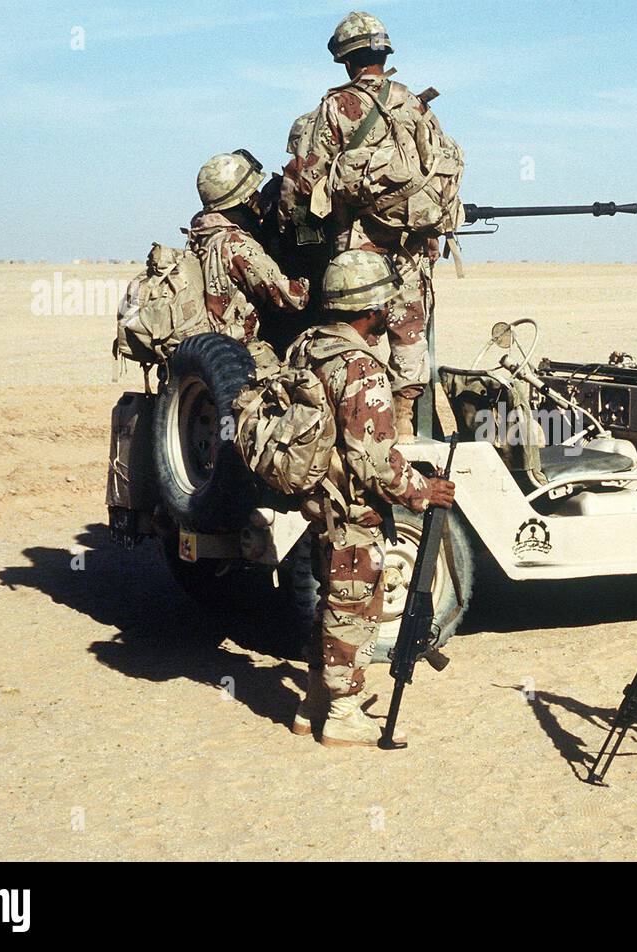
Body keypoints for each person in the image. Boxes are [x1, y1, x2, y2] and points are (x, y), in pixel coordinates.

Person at [289, 249, 456, 746]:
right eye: (384, 301)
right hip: (351, 503)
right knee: (355, 604)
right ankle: (341, 711)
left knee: (333, 597)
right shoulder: (360, 367)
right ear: (371, 308)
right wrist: (424, 490)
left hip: (320, 499)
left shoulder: (306, 347)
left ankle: (315, 701)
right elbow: (376, 461)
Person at [278, 11, 444, 440]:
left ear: (346, 60)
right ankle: (405, 420)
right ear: (382, 53)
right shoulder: (413, 102)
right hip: (413, 239)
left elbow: (308, 176)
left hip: (359, 241)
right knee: (409, 325)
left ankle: (365, 421)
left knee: (359, 328)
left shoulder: (337, 106)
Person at [188, 151, 311, 361]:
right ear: (243, 201)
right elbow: (291, 298)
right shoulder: (236, 245)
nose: (258, 201)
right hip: (240, 355)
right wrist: (310, 280)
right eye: (254, 194)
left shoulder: (202, 236)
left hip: (209, 352)